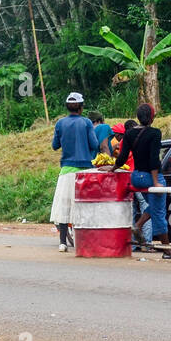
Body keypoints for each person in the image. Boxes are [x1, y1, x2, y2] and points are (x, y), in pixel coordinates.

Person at [117, 103, 171, 257]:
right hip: (150, 177)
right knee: (159, 212)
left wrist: (113, 168)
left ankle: (138, 225)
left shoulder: (128, 134)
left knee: (153, 206)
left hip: (136, 177)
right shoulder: (155, 133)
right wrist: (156, 182)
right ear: (152, 117)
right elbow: (154, 159)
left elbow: (122, 157)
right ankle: (167, 250)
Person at [50, 92, 98, 252]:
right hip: (85, 170)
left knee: (64, 206)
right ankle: (82, 240)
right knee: (82, 206)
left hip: (66, 170)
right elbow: (94, 144)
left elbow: (55, 145)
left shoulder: (60, 123)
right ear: (81, 107)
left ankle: (62, 242)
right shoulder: (86, 123)